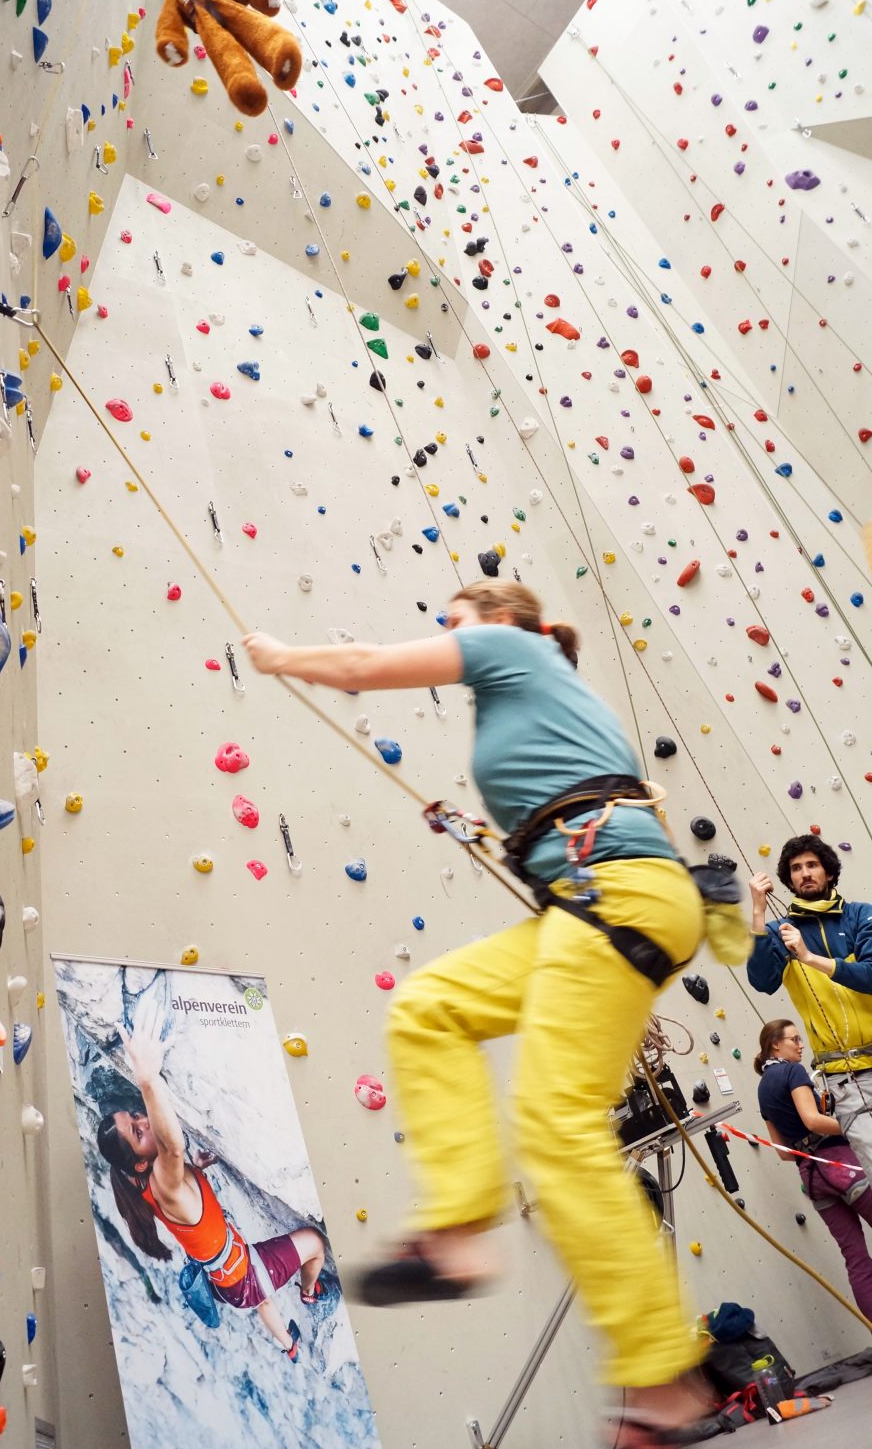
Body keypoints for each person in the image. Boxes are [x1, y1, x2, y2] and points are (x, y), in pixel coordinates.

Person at [243, 580, 720, 1448]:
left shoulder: (512, 648)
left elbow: (359, 666)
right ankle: (459, 1225)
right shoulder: (535, 693)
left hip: (614, 895)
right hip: (592, 904)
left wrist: (280, 657)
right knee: (431, 1007)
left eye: (451, 621)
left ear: (497, 621)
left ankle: (661, 1373)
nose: (446, 635)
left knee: (556, 1122)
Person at [97, 1011, 326, 1362]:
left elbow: (180, 1177)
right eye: (138, 1131)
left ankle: (289, 1345)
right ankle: (309, 1292)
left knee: (261, 1297)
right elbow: (173, 1147)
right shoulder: (163, 1180)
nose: (143, 1119)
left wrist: (197, 1170)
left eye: (136, 1116)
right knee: (314, 1243)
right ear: (140, 1163)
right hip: (243, 1275)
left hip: (228, 1283)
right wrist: (147, 1080)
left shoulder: (149, 1184)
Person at [747, 835, 872, 1180]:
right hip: (843, 1079)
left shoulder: (861, 915)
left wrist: (809, 957)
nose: (804, 873)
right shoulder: (779, 931)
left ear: (829, 872)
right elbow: (762, 981)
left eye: (812, 865)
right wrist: (758, 913)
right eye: (796, 868)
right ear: (788, 880)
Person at [755, 1018, 872, 1320]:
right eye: (794, 1039)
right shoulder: (792, 1071)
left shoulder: (762, 1089)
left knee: (856, 1259)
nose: (801, 1045)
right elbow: (812, 1119)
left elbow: (782, 1151)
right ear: (775, 1045)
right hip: (839, 1163)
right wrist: (855, 1127)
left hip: (812, 1176)